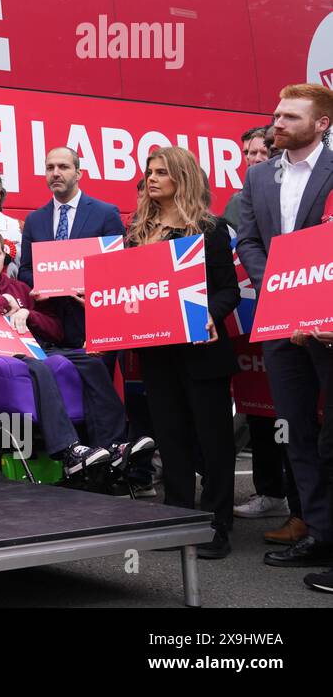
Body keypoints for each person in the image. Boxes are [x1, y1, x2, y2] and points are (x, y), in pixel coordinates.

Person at [236, 83, 333, 589]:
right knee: (294, 428)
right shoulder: (257, 175)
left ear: (321, 124)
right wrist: (278, 287)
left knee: (330, 434)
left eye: (289, 117)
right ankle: (317, 530)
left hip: (329, 325)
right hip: (279, 318)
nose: (276, 122)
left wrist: (317, 305)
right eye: (275, 114)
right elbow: (250, 239)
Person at [127, 146, 240, 559]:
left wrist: (212, 313)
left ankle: (216, 527)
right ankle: (176, 520)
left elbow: (228, 289)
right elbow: (128, 289)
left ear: (182, 177)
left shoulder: (210, 228)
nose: (151, 179)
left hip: (203, 351)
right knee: (170, 438)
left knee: (214, 443)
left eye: (161, 172)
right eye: (149, 172)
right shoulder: (138, 229)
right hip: (157, 351)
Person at [17, 146, 152, 470]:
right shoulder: (35, 220)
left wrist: (88, 286)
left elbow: (118, 268)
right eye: (49, 167)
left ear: (78, 173)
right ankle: (88, 464)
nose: (55, 173)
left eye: (63, 166)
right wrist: (46, 283)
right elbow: (25, 270)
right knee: (70, 393)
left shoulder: (104, 213)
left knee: (98, 389)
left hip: (96, 319)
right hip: (52, 322)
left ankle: (113, 459)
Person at [0, 227, 109, 476]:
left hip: (30, 348)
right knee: (38, 366)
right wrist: (3, 302)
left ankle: (110, 445)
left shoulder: (19, 287)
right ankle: (68, 450)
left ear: (4, 256)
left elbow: (56, 332)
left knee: (90, 361)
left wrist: (29, 314)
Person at [225, 126, 304, 537]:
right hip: (255, 318)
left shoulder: (303, 185)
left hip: (302, 313)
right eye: (248, 153)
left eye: (262, 151)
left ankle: (304, 506)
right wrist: (268, 280)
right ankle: (271, 491)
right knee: (259, 407)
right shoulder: (239, 200)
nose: (254, 159)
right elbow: (242, 248)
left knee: (301, 414)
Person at [222, 126, 271, 232]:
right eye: (251, 153)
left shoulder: (290, 192)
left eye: (264, 152)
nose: (257, 159)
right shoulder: (240, 200)